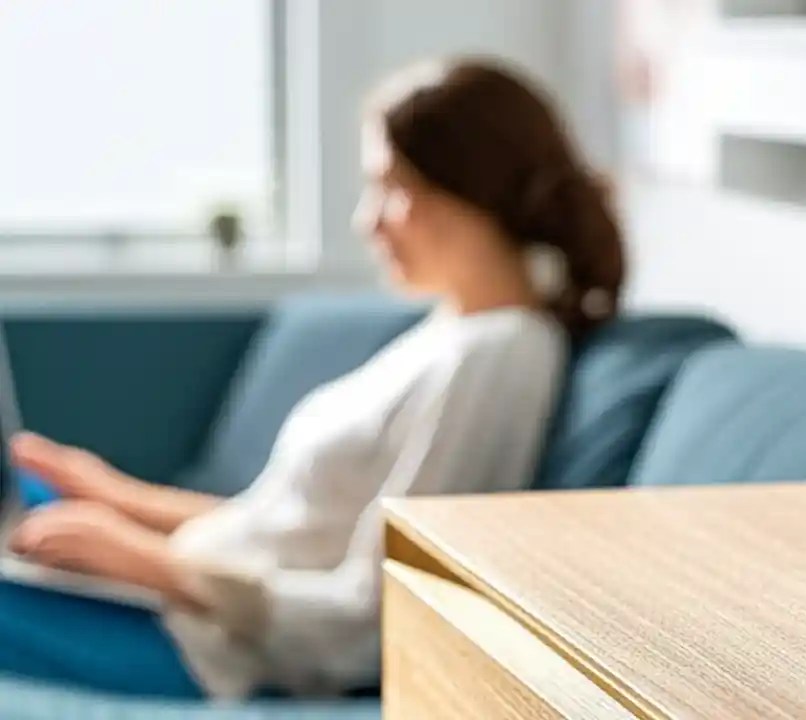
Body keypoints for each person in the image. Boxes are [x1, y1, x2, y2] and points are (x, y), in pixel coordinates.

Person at [0, 58, 625, 699]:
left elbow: (370, 616)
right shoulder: (447, 332)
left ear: (472, 187)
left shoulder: (501, 357)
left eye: (393, 188)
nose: (367, 222)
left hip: (211, 645)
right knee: (24, 491)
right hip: (190, 595)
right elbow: (289, 528)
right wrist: (119, 497)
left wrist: (151, 565)